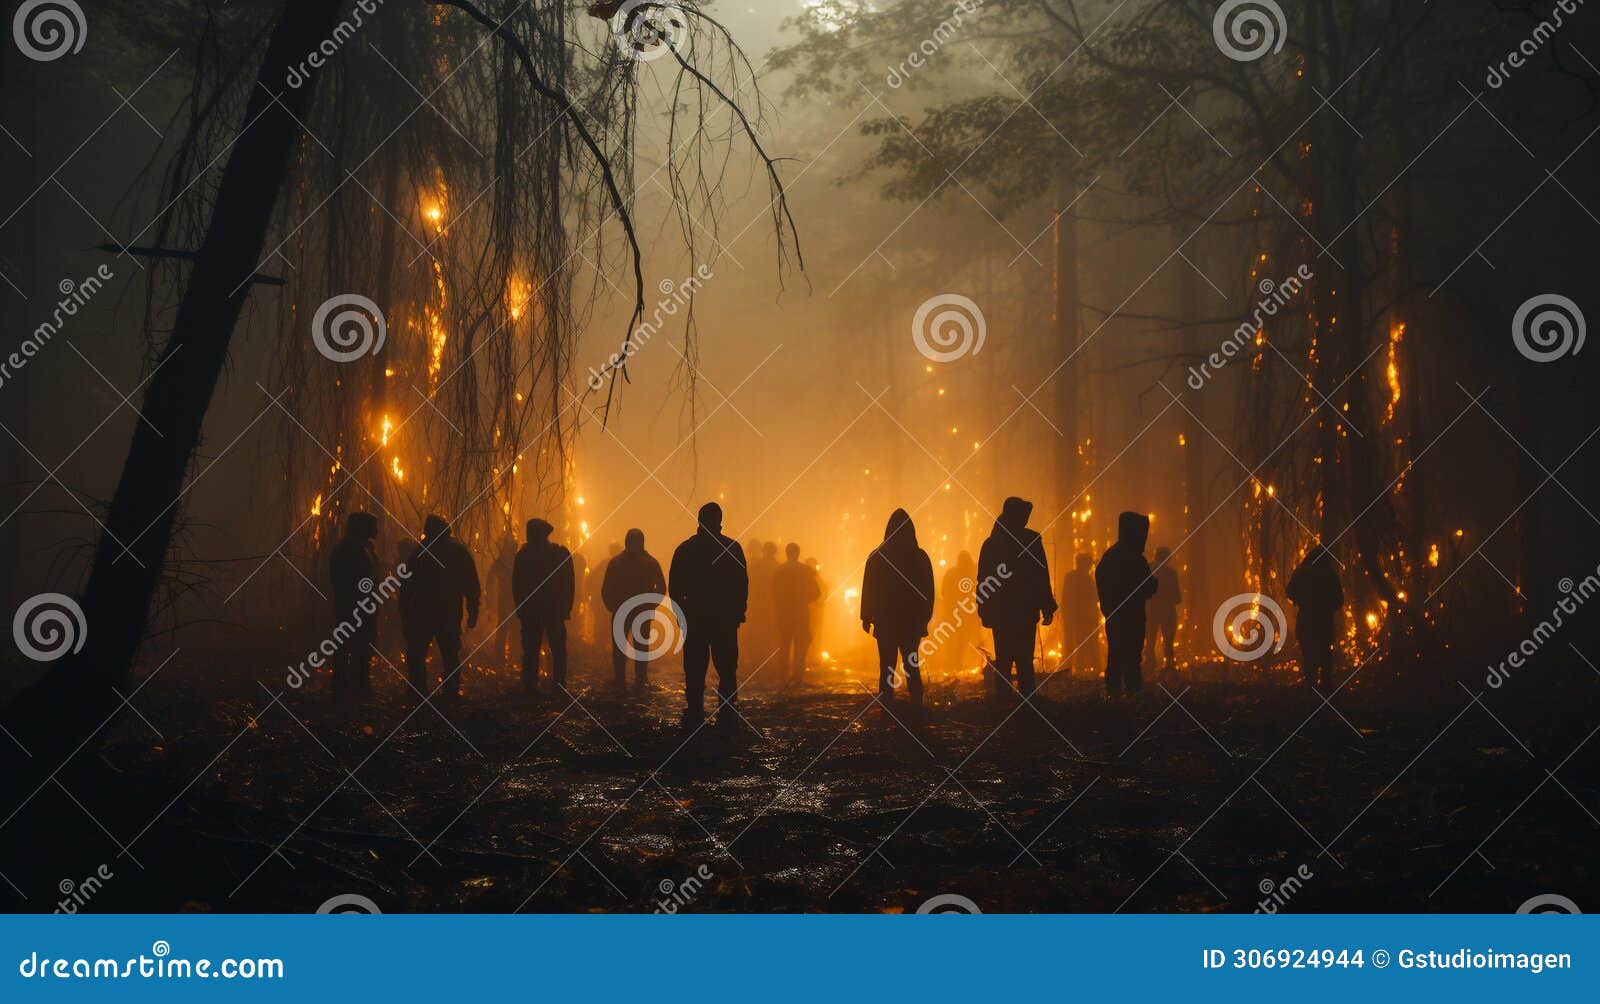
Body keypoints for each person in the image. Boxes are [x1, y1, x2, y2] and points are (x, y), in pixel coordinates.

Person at [669, 503, 748, 727]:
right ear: (720, 521)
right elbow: (741, 585)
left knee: (695, 667)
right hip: (723, 620)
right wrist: (738, 612)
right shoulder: (732, 548)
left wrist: (681, 613)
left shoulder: (685, 549)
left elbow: (675, 587)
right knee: (727, 668)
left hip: (695, 619)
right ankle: (728, 712)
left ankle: (695, 711)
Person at [977, 497, 1056, 695]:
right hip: (1024, 611)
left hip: (1002, 612)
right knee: (1023, 658)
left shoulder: (991, 544)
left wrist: (985, 609)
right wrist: (1047, 606)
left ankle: (1004, 699)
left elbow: (983, 580)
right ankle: (1026, 699)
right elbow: (1041, 576)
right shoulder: (1031, 541)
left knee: (1004, 658)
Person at [861, 510, 935, 709]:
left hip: (886, 621)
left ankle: (886, 703)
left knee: (886, 665)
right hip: (911, 621)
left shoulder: (877, 557)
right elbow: (928, 590)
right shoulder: (919, 557)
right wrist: (924, 617)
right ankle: (916, 702)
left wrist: (866, 616)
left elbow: (869, 589)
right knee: (911, 663)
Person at [401, 515, 480, 699]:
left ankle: (417, 689)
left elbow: (406, 588)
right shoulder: (458, 551)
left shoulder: (420, 552)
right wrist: (473, 609)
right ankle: (450, 691)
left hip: (423, 612)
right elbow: (471, 584)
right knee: (449, 653)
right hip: (447, 611)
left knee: (418, 653)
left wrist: (404, 613)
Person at [1096, 512, 1157, 697]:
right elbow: (1149, 586)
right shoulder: (1135, 560)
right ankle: (1131, 692)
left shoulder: (1110, 556)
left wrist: (1107, 607)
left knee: (1116, 654)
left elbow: (1101, 581)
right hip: (1132, 615)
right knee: (1132, 655)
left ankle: (1114, 692)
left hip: (1116, 615)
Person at [512, 518, 576, 693]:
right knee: (551, 650)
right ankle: (554, 684)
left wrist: (521, 608)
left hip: (540, 611)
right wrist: (566, 608)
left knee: (536, 650)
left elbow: (517, 585)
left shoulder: (525, 556)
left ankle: (534, 685)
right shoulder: (558, 553)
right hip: (547, 611)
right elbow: (569, 584)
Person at [601, 528, 667, 688]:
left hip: (622, 610)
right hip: (641, 611)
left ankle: (620, 679)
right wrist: (651, 605)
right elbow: (661, 588)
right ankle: (640, 679)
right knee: (640, 647)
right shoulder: (651, 563)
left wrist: (612, 606)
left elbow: (606, 588)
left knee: (620, 647)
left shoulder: (616, 563)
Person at [328, 511, 380, 698]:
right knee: (350, 645)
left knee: (361, 646)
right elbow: (349, 579)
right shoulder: (349, 549)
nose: (377, 530)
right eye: (373, 526)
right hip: (353, 606)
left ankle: (356, 684)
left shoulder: (362, 547)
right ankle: (346, 686)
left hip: (361, 605)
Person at [1286, 545, 1344, 688]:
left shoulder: (1302, 572)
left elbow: (1290, 591)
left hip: (1306, 620)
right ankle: (1326, 685)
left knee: (1309, 653)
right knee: (1325, 653)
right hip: (1324, 621)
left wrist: (1301, 601)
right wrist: (1327, 607)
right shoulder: (1330, 575)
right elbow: (1339, 600)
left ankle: (1311, 685)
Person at [772, 543, 822, 686]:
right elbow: (817, 592)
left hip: (784, 613)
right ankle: (797, 678)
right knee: (801, 646)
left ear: (787, 553)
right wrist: (804, 600)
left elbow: (774, 593)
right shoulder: (806, 570)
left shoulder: (779, 570)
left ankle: (782, 677)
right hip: (801, 613)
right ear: (798, 553)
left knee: (784, 645)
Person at [937, 551, 979, 674]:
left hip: (954, 613)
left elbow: (944, 592)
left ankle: (954, 665)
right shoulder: (972, 573)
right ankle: (957, 664)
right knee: (961, 640)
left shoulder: (951, 573)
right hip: (964, 614)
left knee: (954, 640)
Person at [1060, 553, 1102, 673]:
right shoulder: (1087, 580)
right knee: (1083, 644)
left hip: (1075, 616)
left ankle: (1072, 668)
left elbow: (1065, 598)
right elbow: (1096, 597)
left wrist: (1065, 614)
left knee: (1073, 643)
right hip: (1083, 617)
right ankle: (1081, 668)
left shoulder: (1071, 577)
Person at [1146, 546, 1181, 674]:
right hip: (1167, 613)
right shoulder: (1171, 573)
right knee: (1168, 641)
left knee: (1150, 640)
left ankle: (1149, 666)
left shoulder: (1147, 570)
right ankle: (1169, 667)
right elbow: (1177, 598)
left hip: (1151, 612)